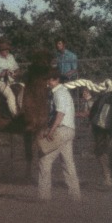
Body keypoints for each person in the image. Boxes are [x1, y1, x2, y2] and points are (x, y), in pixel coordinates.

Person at [36, 72, 81, 202]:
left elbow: (60, 114)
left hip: (61, 130)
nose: (47, 82)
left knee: (44, 160)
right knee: (68, 163)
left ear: (55, 80)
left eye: (48, 79)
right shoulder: (64, 92)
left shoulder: (58, 93)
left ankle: (44, 197)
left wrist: (51, 131)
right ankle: (75, 196)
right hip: (69, 129)